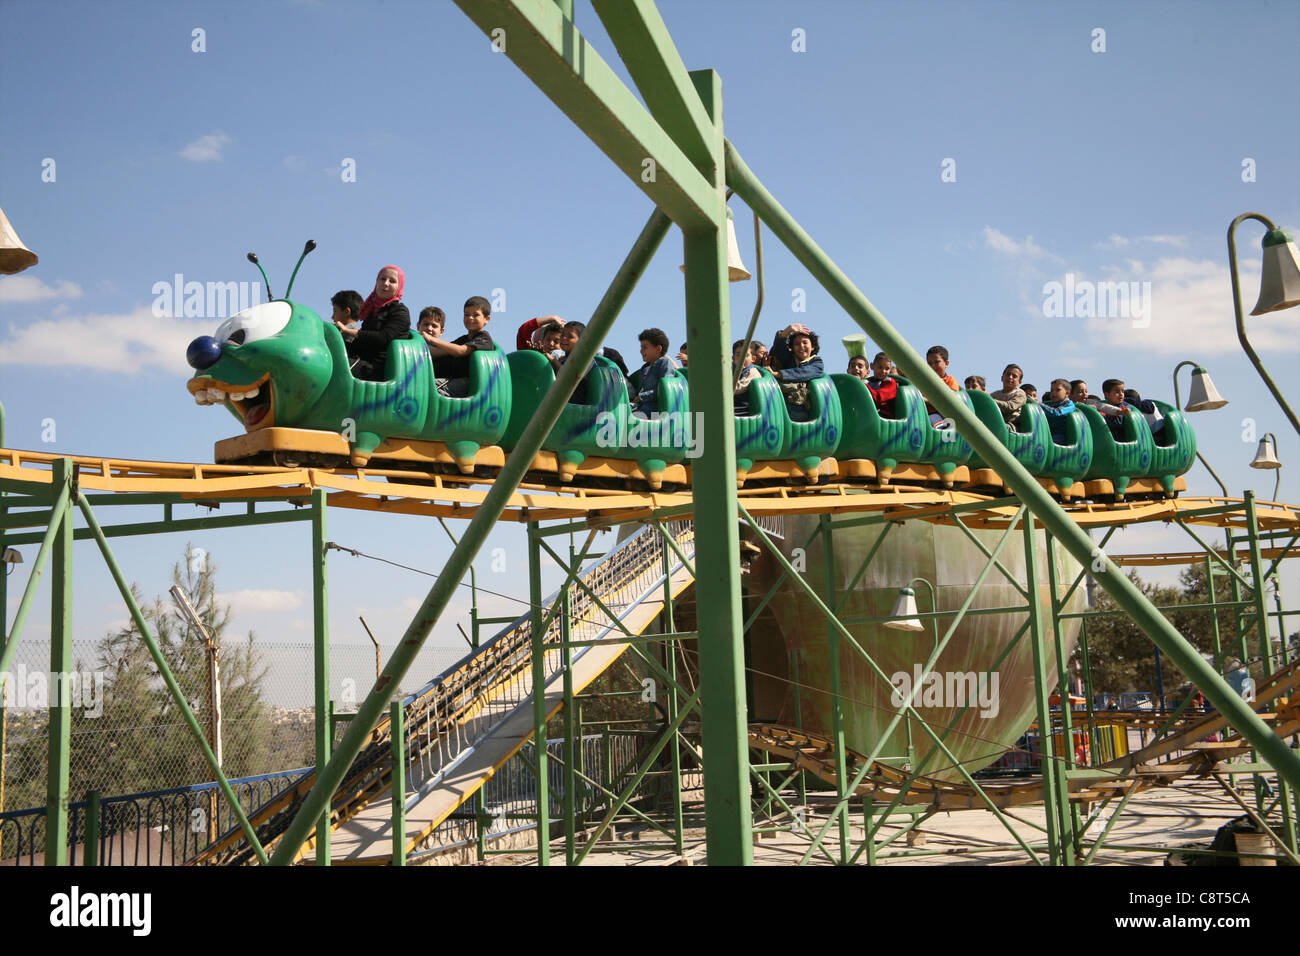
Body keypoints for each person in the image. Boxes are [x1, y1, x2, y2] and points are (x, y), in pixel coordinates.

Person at [337, 265, 410, 381]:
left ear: (399, 287)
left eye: (392, 281)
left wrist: (347, 330)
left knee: (335, 369)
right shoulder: (372, 311)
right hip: (361, 362)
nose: (385, 283)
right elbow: (360, 346)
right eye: (382, 279)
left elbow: (383, 338)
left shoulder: (400, 312)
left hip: (377, 370)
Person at [423, 295, 496, 397]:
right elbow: (440, 351)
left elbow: (460, 351)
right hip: (453, 381)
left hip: (470, 384)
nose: (470, 318)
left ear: (487, 319)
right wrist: (419, 347)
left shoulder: (484, 338)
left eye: (475, 315)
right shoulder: (463, 339)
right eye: (466, 315)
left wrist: (431, 339)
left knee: (429, 388)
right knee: (421, 382)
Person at [554, 320, 630, 404]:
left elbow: (569, 377)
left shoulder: (585, 360)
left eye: (570, 336)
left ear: (581, 341)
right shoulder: (562, 359)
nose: (564, 338)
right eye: (563, 335)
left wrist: (552, 361)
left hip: (576, 405)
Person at [770, 323, 825, 422]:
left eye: (805, 343)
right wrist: (787, 331)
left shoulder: (817, 363)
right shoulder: (790, 360)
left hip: (801, 408)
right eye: (797, 344)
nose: (801, 346)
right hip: (782, 402)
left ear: (812, 346)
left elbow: (804, 372)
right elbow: (779, 348)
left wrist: (779, 374)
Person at [631, 328, 677, 416]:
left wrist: (642, 397)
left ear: (658, 349)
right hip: (639, 406)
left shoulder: (664, 363)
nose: (641, 351)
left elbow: (665, 389)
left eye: (645, 347)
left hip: (653, 410)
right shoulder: (643, 369)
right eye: (641, 347)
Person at [924, 345, 960, 415]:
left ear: (946, 363)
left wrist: (926, 400)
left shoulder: (950, 380)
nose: (933, 366)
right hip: (923, 413)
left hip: (942, 414)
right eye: (930, 363)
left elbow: (950, 399)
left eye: (937, 362)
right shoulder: (924, 381)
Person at [1040, 378, 1077, 443]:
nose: (1053, 393)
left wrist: (1039, 405)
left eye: (1058, 390)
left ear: (1067, 393)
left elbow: (1056, 413)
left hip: (1061, 437)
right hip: (1049, 433)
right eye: (1052, 390)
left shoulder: (1069, 404)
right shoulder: (1051, 405)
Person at [733, 339, 764, 415]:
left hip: (743, 413)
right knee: (700, 410)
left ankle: (699, 426)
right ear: (733, 358)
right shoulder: (734, 371)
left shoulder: (752, 372)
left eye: (746, 355)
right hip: (732, 410)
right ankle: (699, 426)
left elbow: (737, 388)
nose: (741, 358)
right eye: (738, 355)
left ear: (753, 358)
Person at [866, 351, 898, 418]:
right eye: (880, 367)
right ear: (872, 366)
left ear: (890, 369)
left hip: (884, 416)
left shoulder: (890, 382)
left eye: (887, 369)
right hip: (868, 413)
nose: (883, 371)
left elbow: (878, 398)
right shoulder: (868, 382)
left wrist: (863, 386)